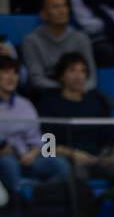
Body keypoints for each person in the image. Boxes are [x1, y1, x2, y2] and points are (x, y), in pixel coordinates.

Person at [39, 51, 114, 182]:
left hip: (96, 160)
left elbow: (109, 136)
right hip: (68, 161)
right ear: (61, 76)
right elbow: (47, 146)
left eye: (82, 71)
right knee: (79, 175)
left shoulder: (97, 101)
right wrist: (72, 154)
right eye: (72, 70)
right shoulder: (48, 103)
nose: (78, 76)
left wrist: (107, 154)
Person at [0, 54, 73, 198]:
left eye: (15, 73)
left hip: (30, 157)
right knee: (8, 163)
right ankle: (21, 201)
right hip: (6, 157)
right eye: (6, 72)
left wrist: (34, 152)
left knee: (60, 164)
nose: (12, 77)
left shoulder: (25, 104)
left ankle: (42, 198)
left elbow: (37, 137)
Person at [20, 0, 97, 92]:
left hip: (79, 91)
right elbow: (37, 79)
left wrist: (79, 89)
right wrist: (65, 90)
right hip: (48, 92)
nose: (62, 11)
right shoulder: (31, 40)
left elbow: (91, 77)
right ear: (43, 14)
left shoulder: (81, 38)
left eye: (65, 6)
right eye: (56, 7)